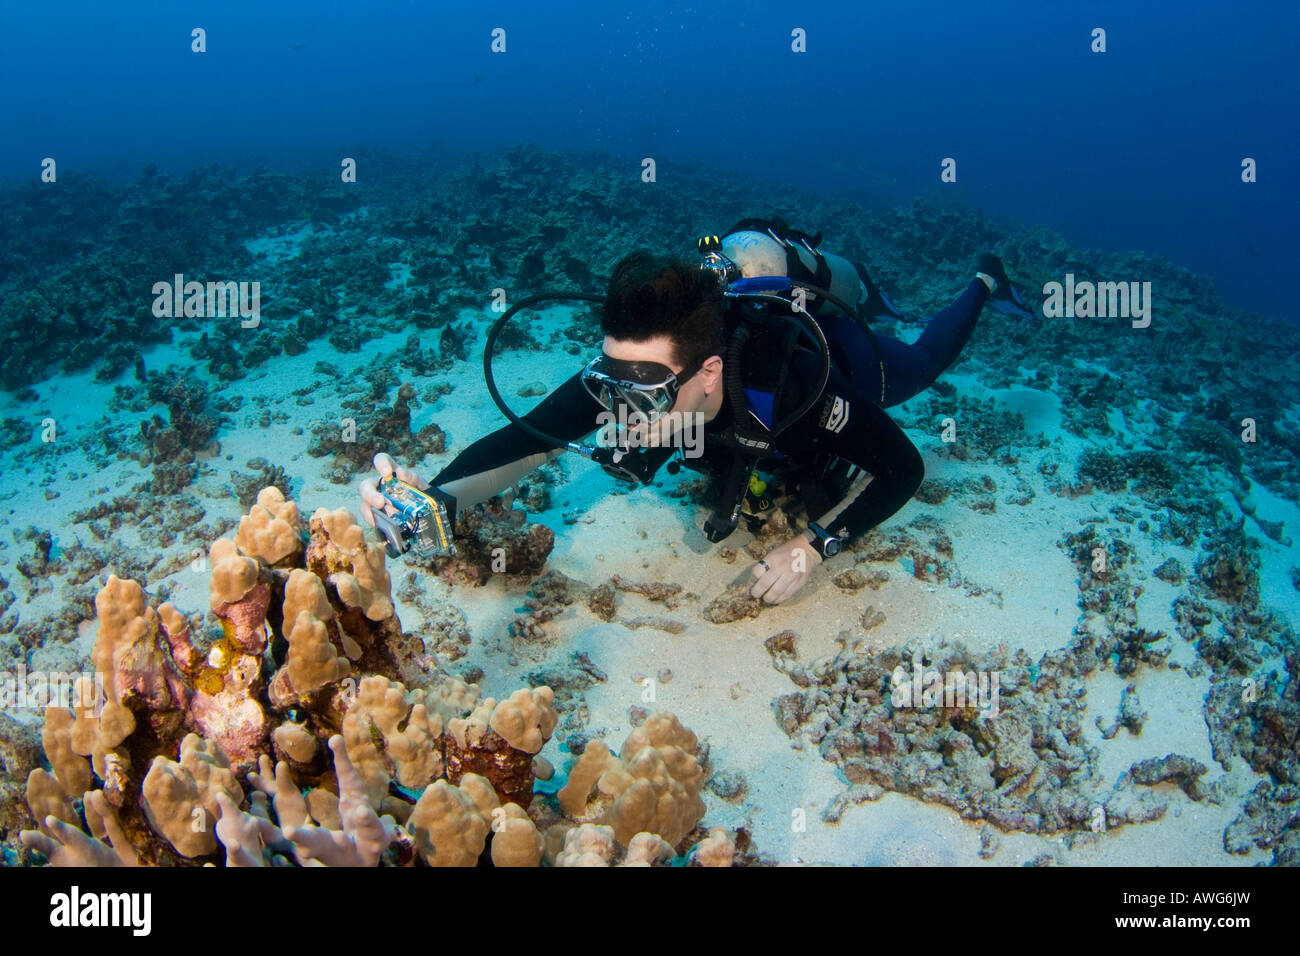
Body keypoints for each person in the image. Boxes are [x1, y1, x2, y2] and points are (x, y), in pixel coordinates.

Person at [360, 215, 1033, 605]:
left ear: (709, 372)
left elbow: (903, 470)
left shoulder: (793, 383)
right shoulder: (630, 370)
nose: (618, 408)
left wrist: (815, 546)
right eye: (608, 379)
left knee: (911, 367)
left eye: (644, 391)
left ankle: (981, 282)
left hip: (841, 353)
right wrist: (438, 503)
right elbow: (528, 441)